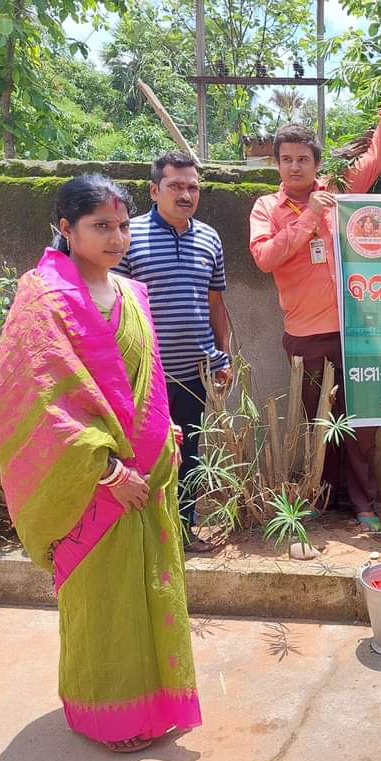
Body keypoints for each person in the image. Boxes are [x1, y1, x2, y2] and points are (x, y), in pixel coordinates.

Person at [0, 174, 202, 751]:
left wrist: (165, 433)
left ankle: (155, 703)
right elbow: (39, 396)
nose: (116, 238)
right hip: (93, 483)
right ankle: (106, 714)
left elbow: (150, 377)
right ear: (67, 228)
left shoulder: (134, 294)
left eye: (124, 226)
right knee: (103, 601)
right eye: (101, 226)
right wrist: (109, 472)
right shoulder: (42, 298)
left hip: (150, 473)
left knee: (151, 588)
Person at [249, 58, 381, 531]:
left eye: (303, 158)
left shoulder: (339, 190)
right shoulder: (266, 207)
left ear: (317, 164)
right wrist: (304, 220)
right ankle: (326, 497)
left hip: (357, 331)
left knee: (362, 422)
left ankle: (362, 504)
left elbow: (378, 154)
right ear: (276, 164)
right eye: (286, 159)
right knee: (321, 422)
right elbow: (265, 259)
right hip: (305, 335)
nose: (295, 166)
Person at [114, 152, 231, 553]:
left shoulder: (210, 238)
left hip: (195, 372)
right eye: (176, 186)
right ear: (154, 190)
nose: (186, 194)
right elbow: (118, 308)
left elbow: (216, 304)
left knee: (190, 456)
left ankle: (182, 532)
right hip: (147, 376)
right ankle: (145, 537)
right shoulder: (129, 236)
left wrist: (223, 356)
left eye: (192, 187)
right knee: (146, 454)